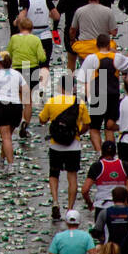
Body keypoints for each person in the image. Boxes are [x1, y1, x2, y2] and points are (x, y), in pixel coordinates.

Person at [39, 85, 90, 220]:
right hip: (74, 145)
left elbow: (42, 120)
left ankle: (55, 201)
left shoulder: (52, 102)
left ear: (59, 87)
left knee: (53, 174)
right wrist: (78, 133)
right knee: (72, 177)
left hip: (56, 146)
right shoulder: (80, 104)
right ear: (72, 87)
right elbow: (87, 124)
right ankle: (70, 209)